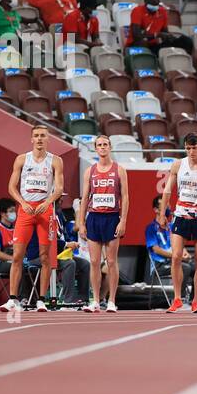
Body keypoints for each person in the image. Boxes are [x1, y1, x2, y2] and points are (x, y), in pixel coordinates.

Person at [1, 126, 63, 312]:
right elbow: (11, 187)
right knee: (18, 255)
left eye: (43, 136)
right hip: (26, 210)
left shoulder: (56, 161)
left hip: (45, 210)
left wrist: (49, 202)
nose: (39, 139)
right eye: (36, 136)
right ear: (31, 139)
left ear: (48, 139)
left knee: (45, 257)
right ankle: (12, 299)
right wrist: (21, 202)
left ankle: (41, 300)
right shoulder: (21, 159)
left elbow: (59, 187)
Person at [157, 133, 197, 314]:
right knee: (176, 256)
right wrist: (163, 213)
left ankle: (196, 301)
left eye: (194, 147)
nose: (191, 151)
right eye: (188, 148)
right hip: (180, 214)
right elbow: (168, 190)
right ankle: (177, 298)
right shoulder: (178, 165)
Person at [81, 134, 129, 313]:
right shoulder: (90, 171)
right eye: (99, 145)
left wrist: (123, 221)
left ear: (110, 147)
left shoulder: (119, 170)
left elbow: (125, 197)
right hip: (94, 217)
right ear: (95, 148)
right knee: (94, 261)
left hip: (112, 218)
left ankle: (111, 301)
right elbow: (85, 197)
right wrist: (82, 222)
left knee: (111, 261)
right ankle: (95, 300)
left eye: (105, 144)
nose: (102, 147)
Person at [145, 195, 192, 304]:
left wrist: (185, 254)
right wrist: (178, 256)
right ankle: (181, 299)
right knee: (185, 268)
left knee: (194, 267)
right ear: (156, 210)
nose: (168, 208)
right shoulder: (151, 228)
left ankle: (194, 300)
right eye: (164, 205)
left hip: (175, 260)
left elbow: (179, 245)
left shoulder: (171, 226)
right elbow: (156, 250)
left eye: (168, 205)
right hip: (159, 265)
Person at [129, 0, 193, 53]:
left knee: (186, 41)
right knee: (142, 42)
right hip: (138, 45)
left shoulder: (162, 11)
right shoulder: (137, 11)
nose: (155, 1)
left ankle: (184, 60)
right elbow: (136, 35)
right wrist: (156, 35)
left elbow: (165, 32)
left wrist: (169, 37)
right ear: (145, 0)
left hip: (154, 45)